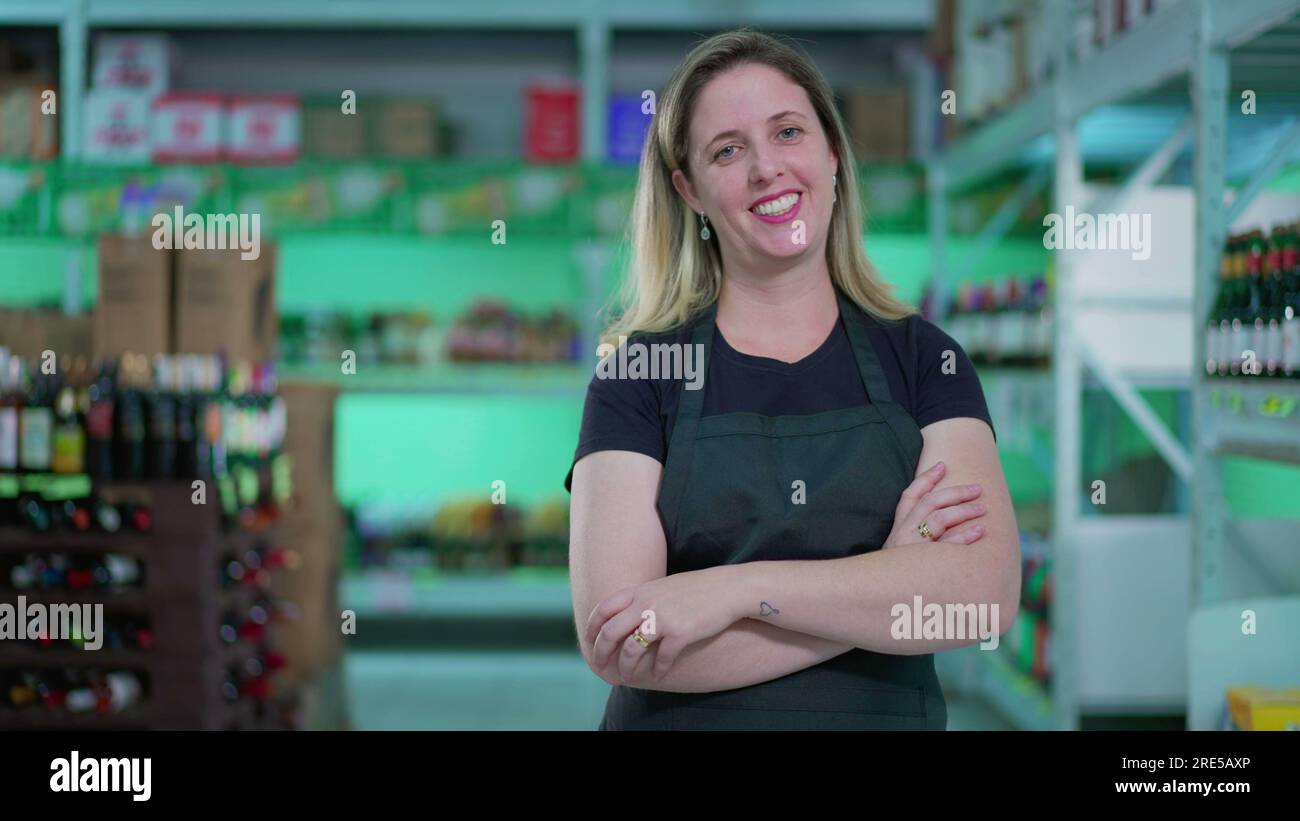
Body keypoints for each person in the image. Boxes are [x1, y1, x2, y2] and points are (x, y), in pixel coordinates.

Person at [565, 28, 1020, 730]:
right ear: (689, 189)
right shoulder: (637, 374)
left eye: (787, 132)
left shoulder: (927, 359)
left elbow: (981, 597)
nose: (766, 168)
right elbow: (624, 641)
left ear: (832, 153)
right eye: (728, 149)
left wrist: (735, 590)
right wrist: (885, 587)